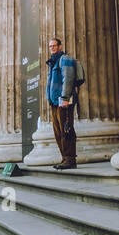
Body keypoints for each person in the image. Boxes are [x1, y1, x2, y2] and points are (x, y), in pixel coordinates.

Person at [45, 37, 80, 171]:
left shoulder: (65, 59)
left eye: (54, 45)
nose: (52, 48)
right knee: (58, 132)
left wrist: (65, 98)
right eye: (50, 46)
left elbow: (68, 79)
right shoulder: (53, 62)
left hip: (63, 101)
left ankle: (70, 159)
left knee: (67, 130)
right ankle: (65, 158)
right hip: (54, 102)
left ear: (60, 46)